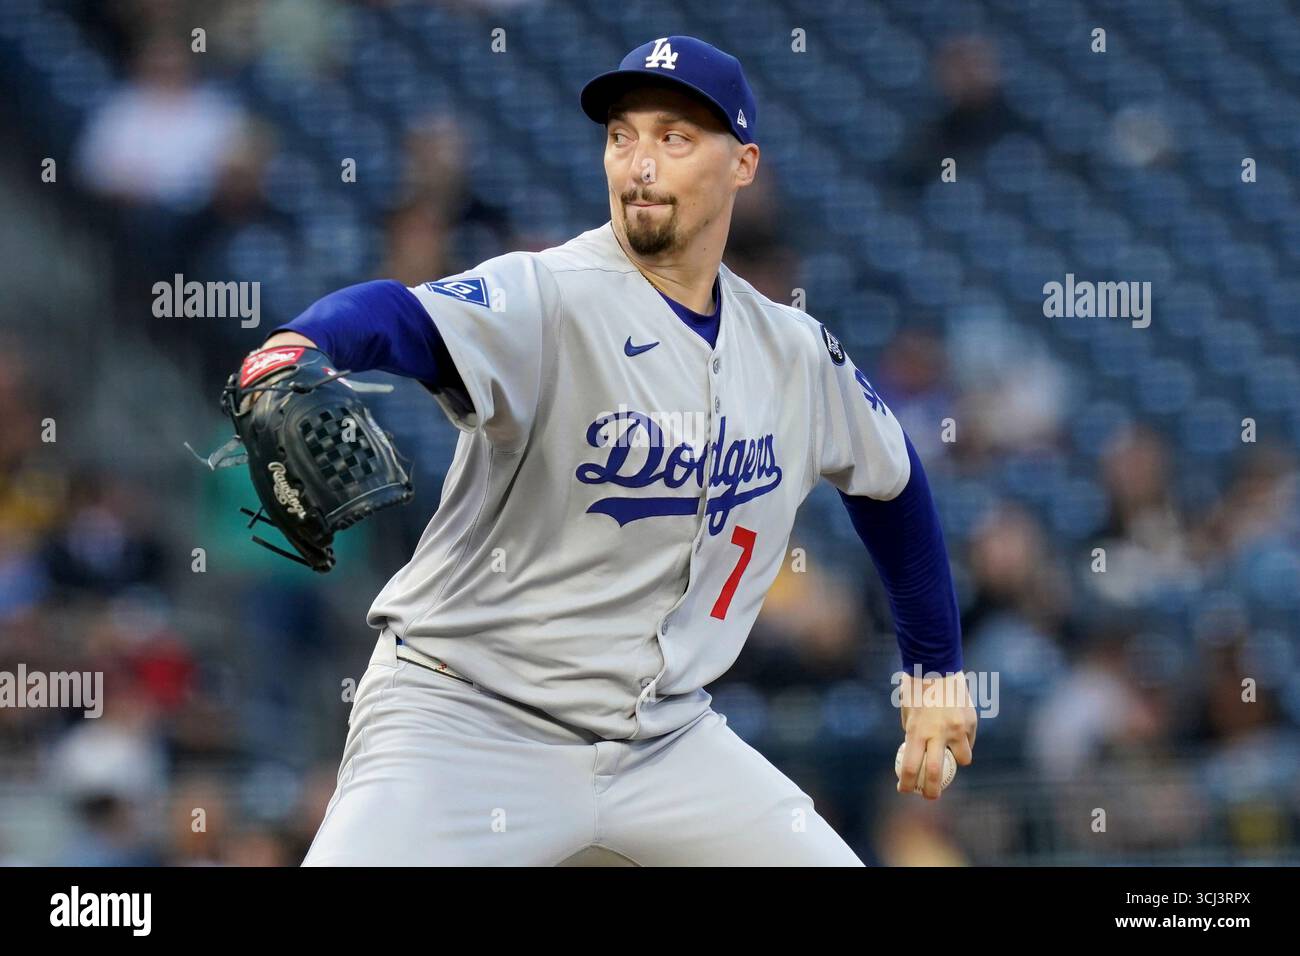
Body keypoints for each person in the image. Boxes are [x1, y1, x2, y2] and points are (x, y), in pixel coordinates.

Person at [249, 36, 976, 866]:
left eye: (673, 137)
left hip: (666, 740)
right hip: (463, 721)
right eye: (621, 135)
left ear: (742, 164)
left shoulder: (794, 352)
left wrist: (934, 674)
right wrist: (297, 344)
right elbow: (402, 317)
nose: (639, 162)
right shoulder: (548, 295)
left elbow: (894, 482)